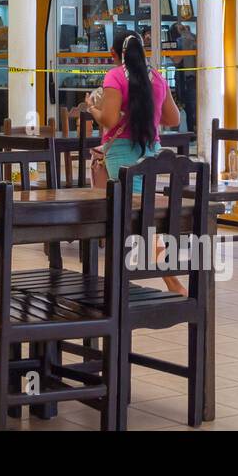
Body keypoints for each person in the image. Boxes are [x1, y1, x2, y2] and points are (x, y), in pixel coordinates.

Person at [84, 29, 183, 294]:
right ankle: (124, 279)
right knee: (143, 214)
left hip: (122, 154)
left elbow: (110, 120)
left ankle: (170, 280)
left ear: (114, 54)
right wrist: (145, 112)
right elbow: (173, 119)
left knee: (136, 218)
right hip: (153, 152)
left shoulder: (114, 76)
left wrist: (92, 108)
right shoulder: (157, 79)